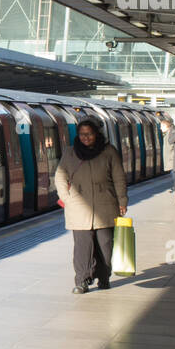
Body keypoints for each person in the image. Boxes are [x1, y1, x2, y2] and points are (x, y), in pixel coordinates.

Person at [54, 117, 128, 294]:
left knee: (106, 245)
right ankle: (82, 280)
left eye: (89, 134)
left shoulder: (109, 151)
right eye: (82, 134)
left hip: (106, 204)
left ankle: (104, 276)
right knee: (82, 246)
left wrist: (122, 201)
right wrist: (66, 197)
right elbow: (60, 176)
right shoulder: (70, 153)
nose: (85, 138)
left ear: (97, 134)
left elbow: (119, 178)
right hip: (78, 206)